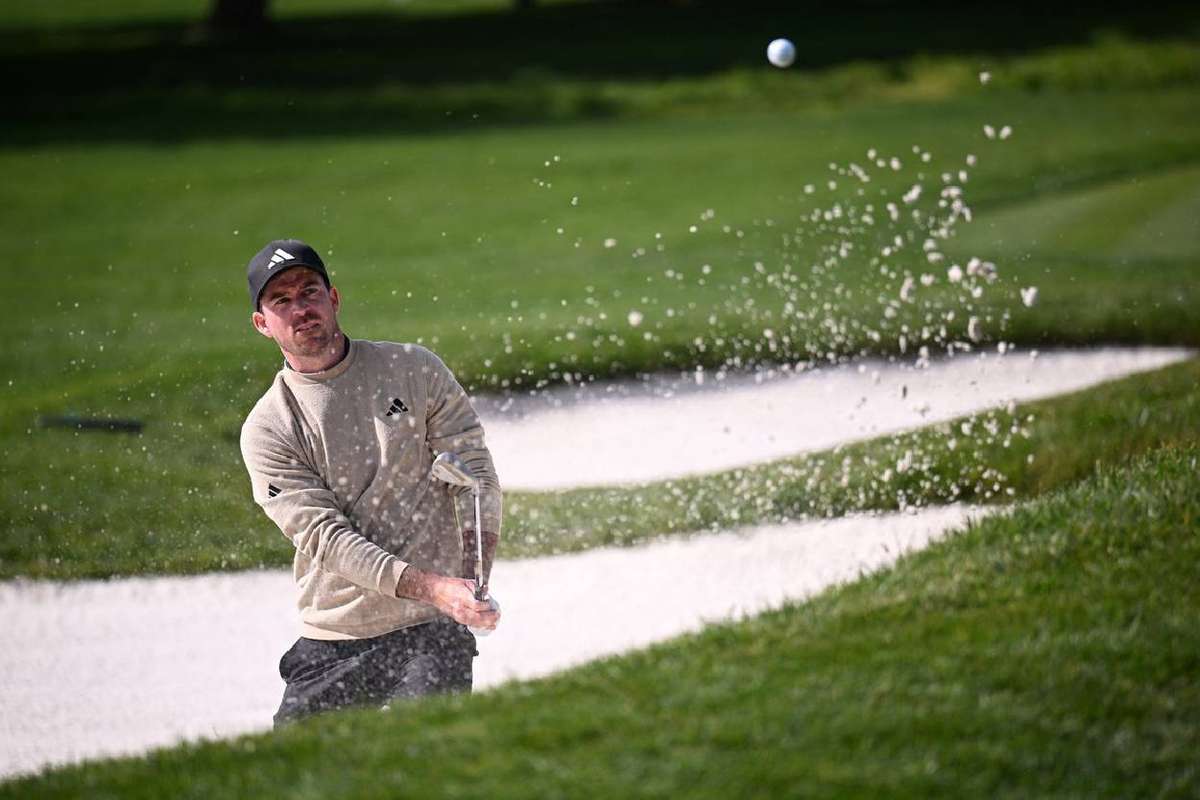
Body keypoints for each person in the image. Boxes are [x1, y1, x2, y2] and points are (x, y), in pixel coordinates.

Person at [238, 238, 502, 726]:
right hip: (336, 632)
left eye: (309, 291)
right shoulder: (270, 428)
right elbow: (327, 539)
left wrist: (473, 579)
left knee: (420, 746)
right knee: (295, 762)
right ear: (262, 323)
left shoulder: (413, 369)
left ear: (333, 298)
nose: (300, 308)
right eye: (281, 300)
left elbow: (475, 476)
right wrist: (437, 587)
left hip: (429, 628)